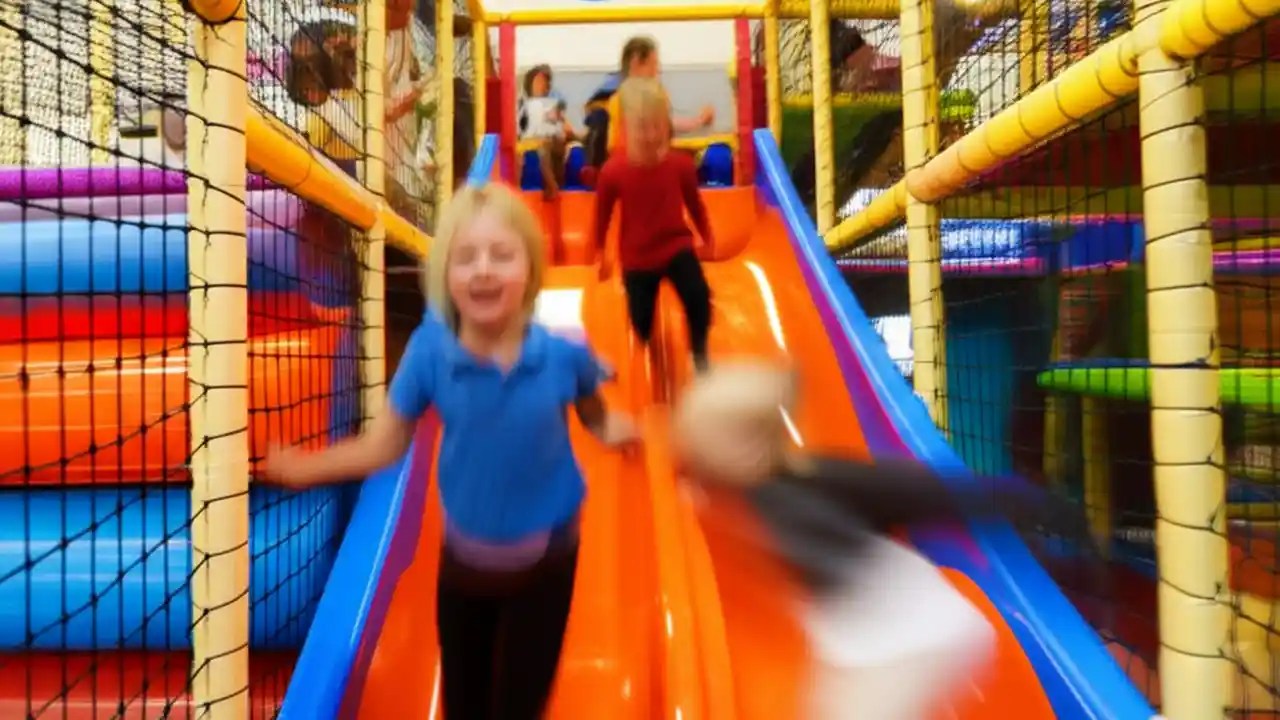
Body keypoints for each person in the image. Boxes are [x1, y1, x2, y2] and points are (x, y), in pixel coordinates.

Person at [263, 182, 638, 719]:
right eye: (466, 258)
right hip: (466, 566)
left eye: (502, 255)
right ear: (445, 276)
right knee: (465, 701)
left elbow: (592, 409)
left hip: (549, 560)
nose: (483, 270)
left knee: (519, 702)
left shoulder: (561, 355)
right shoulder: (429, 355)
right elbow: (385, 444)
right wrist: (306, 467)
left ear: (530, 271)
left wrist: (613, 429)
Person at [671, 359, 1098, 719]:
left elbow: (924, 494)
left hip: (905, 638)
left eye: (701, 444)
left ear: (737, 447)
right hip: (877, 629)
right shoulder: (780, 478)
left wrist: (1031, 504)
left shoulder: (793, 493)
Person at [594, 77, 715, 375]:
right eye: (641, 127)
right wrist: (599, 253)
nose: (649, 135)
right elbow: (601, 215)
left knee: (699, 296)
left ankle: (699, 353)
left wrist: (708, 236)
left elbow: (695, 204)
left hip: (675, 246)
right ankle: (646, 346)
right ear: (625, 130)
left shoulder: (680, 165)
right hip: (637, 257)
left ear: (667, 127)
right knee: (640, 320)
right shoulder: (614, 172)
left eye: (656, 126)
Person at [591, 35, 715, 164]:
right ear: (637, 62)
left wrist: (699, 121)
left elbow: (667, 124)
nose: (657, 70)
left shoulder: (613, 94)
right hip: (634, 164)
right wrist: (699, 121)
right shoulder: (621, 98)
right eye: (654, 64)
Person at [518, 64, 577, 199]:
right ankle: (552, 186)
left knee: (556, 145)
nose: (543, 85)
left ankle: (556, 187)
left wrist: (563, 131)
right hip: (528, 145)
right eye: (539, 81)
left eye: (545, 82)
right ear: (530, 83)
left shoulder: (551, 107)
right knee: (542, 147)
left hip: (551, 146)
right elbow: (517, 132)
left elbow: (567, 131)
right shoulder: (522, 106)